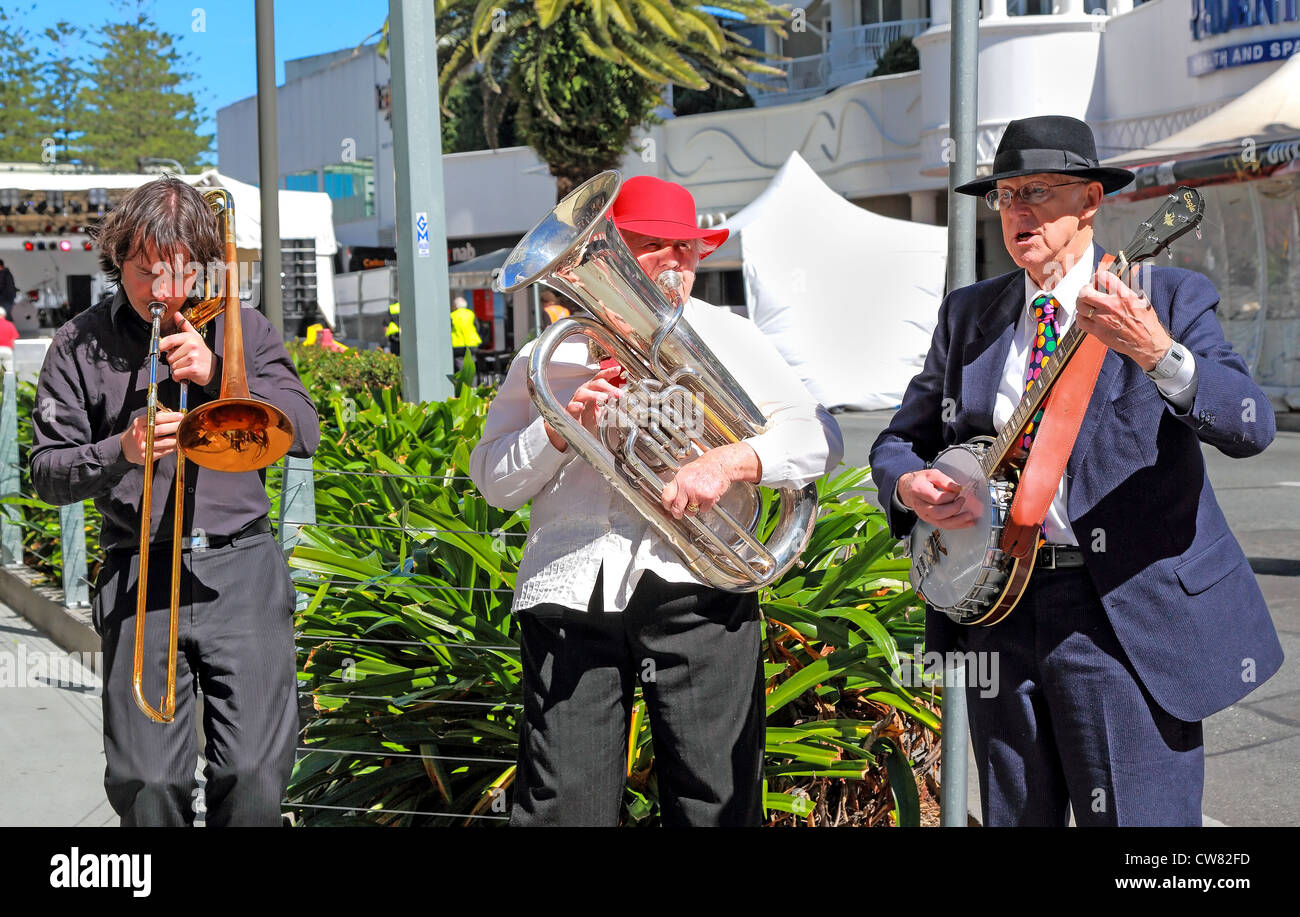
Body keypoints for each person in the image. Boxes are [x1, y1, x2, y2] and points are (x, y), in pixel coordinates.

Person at [870, 116, 1283, 826]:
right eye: (1004, 195)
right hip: (999, 611)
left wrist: (1160, 355)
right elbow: (897, 443)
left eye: (1037, 191)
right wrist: (909, 483)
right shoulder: (971, 314)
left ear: (1090, 201)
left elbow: (1252, 423)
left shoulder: (1171, 296)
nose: (1017, 209)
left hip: (1121, 613)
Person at [470, 175, 843, 826]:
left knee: (713, 806)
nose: (675, 263)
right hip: (570, 594)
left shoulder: (727, 338)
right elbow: (493, 481)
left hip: (695, 589)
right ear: (609, 248)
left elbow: (821, 435)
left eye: (688, 250)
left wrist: (733, 461)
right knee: (563, 811)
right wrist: (556, 430)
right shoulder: (544, 358)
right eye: (653, 246)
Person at [29, 177, 322, 827]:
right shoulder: (77, 343)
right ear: (117, 258)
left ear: (202, 263)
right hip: (139, 574)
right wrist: (121, 450)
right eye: (144, 271)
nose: (163, 291)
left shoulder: (242, 327)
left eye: (177, 271)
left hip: (242, 568)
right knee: (146, 779)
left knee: (253, 774)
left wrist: (219, 375)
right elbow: (47, 473)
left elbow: (304, 428)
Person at [450, 295, 483, 372]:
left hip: (458, 345)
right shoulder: (471, 314)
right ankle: (472, 382)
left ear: (455, 306)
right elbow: (477, 327)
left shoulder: (452, 315)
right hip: (472, 344)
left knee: (459, 364)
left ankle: (463, 382)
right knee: (471, 362)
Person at [0, 305, 18, 375]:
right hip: (7, 350)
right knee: (9, 372)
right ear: (4, 315)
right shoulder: (9, 324)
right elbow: (13, 339)